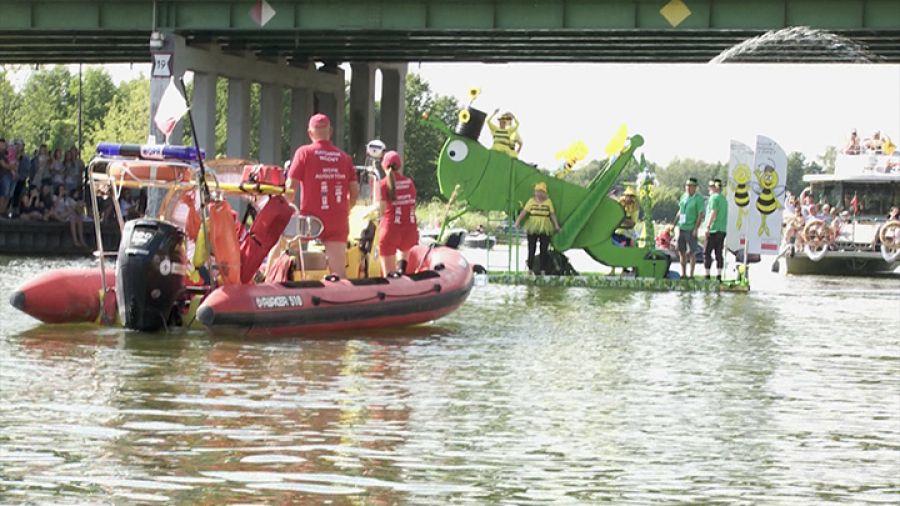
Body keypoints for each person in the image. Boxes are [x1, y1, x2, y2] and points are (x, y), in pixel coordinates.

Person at [287, 113, 359, 278]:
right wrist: (346, 210)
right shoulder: (345, 158)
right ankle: (339, 290)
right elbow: (354, 193)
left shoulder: (304, 153)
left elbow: (290, 189)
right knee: (339, 272)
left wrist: (285, 211)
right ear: (330, 131)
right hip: (337, 220)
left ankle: (268, 277)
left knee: (280, 243)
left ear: (310, 133)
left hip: (310, 221)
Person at [376, 151, 418, 276]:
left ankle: (393, 278)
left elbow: (381, 211)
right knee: (401, 269)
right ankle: (401, 269)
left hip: (390, 231)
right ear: (400, 166)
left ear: (383, 166)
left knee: (389, 277)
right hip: (410, 231)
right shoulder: (410, 183)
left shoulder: (383, 184)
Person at [513, 181, 561, 275]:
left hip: (545, 227)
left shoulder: (548, 202)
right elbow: (524, 212)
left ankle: (543, 269)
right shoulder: (531, 201)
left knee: (544, 249)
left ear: (545, 193)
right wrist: (518, 221)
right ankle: (530, 269)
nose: (539, 194)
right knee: (531, 248)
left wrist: (556, 225)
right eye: (537, 191)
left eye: (541, 192)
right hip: (533, 226)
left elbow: (552, 214)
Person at [674, 177, 705, 279]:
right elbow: (680, 211)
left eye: (691, 186)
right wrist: (674, 223)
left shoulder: (698, 199)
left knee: (692, 252)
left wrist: (696, 228)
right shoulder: (683, 196)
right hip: (682, 227)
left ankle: (691, 275)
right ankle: (683, 274)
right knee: (681, 251)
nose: (688, 187)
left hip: (691, 228)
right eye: (687, 185)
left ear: (695, 187)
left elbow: (700, 215)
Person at [703, 179, 728, 280]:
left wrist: (708, 226)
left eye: (710, 186)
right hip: (722, 229)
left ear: (714, 188)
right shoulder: (724, 199)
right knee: (719, 253)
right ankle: (719, 275)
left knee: (707, 252)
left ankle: (707, 275)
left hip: (713, 229)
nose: (709, 189)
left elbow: (714, 212)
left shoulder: (714, 198)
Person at [0, 138, 15, 216]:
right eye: (1, 144)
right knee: (3, 194)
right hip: (4, 176)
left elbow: (14, 162)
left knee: (9, 195)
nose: (3, 145)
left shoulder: (7, 153)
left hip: (11, 176)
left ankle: (3, 211)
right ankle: (1, 210)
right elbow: (4, 165)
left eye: (4, 144)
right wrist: (11, 167)